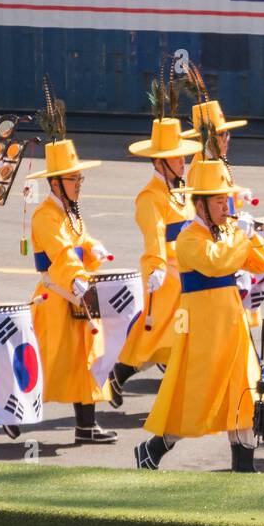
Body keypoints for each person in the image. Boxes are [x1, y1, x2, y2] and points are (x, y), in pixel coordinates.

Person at [136, 156, 264, 473]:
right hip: (205, 328)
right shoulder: (188, 238)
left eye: (226, 199)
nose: (226, 206)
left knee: (244, 391)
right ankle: (153, 449)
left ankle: (243, 467)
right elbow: (217, 263)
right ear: (200, 205)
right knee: (199, 397)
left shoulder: (225, 231)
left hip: (231, 325)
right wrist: (240, 235)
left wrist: (256, 236)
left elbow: (260, 264)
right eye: (219, 200)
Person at [26, 91, 120, 444]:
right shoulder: (45, 216)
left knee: (87, 358)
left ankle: (86, 426)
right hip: (56, 295)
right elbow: (63, 253)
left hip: (75, 292)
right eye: (73, 180)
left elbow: (80, 242)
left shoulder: (69, 212)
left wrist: (96, 249)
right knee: (51, 363)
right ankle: (9, 414)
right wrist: (79, 279)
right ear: (55, 183)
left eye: (80, 179)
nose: (79, 184)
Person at [109, 79, 202, 407]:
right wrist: (158, 268)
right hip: (169, 276)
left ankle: (174, 391)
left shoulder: (180, 191)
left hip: (190, 270)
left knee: (177, 337)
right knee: (159, 336)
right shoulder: (150, 198)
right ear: (159, 162)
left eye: (182, 158)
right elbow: (154, 239)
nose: (183, 163)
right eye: (176, 159)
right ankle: (120, 371)